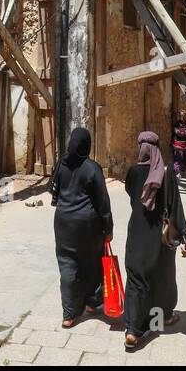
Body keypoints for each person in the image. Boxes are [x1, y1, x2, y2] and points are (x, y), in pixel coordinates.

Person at [123, 131, 186, 349]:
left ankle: (133, 330)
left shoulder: (133, 172)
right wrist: (185, 236)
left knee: (137, 279)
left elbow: (131, 195)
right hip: (160, 238)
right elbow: (175, 206)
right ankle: (163, 317)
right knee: (162, 278)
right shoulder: (167, 172)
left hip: (137, 234)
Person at [50, 127, 113, 328]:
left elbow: (54, 192)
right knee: (92, 262)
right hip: (88, 226)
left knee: (67, 264)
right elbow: (103, 202)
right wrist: (108, 228)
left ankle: (69, 315)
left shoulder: (61, 164)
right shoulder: (92, 168)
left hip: (63, 223)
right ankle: (93, 303)